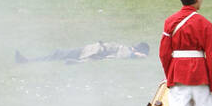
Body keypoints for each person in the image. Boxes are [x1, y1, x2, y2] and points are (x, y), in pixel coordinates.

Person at [17, 41, 151, 63]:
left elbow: (125, 55)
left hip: (87, 52)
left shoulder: (127, 51)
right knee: (57, 54)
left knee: (57, 54)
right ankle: (29, 60)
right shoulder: (126, 49)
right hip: (87, 50)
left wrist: (136, 55)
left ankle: (28, 61)